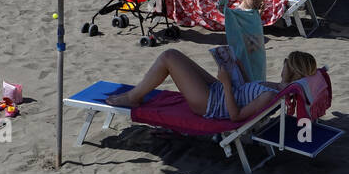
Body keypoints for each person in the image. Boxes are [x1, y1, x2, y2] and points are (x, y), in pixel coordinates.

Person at [107, 48, 318, 122]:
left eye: (285, 64)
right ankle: (136, 94)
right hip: (220, 93)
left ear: (289, 70)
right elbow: (247, 93)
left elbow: (235, 116)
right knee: (179, 57)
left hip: (211, 104)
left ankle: (134, 97)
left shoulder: (271, 96)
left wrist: (226, 84)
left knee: (169, 57)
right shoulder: (279, 89)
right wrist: (238, 71)